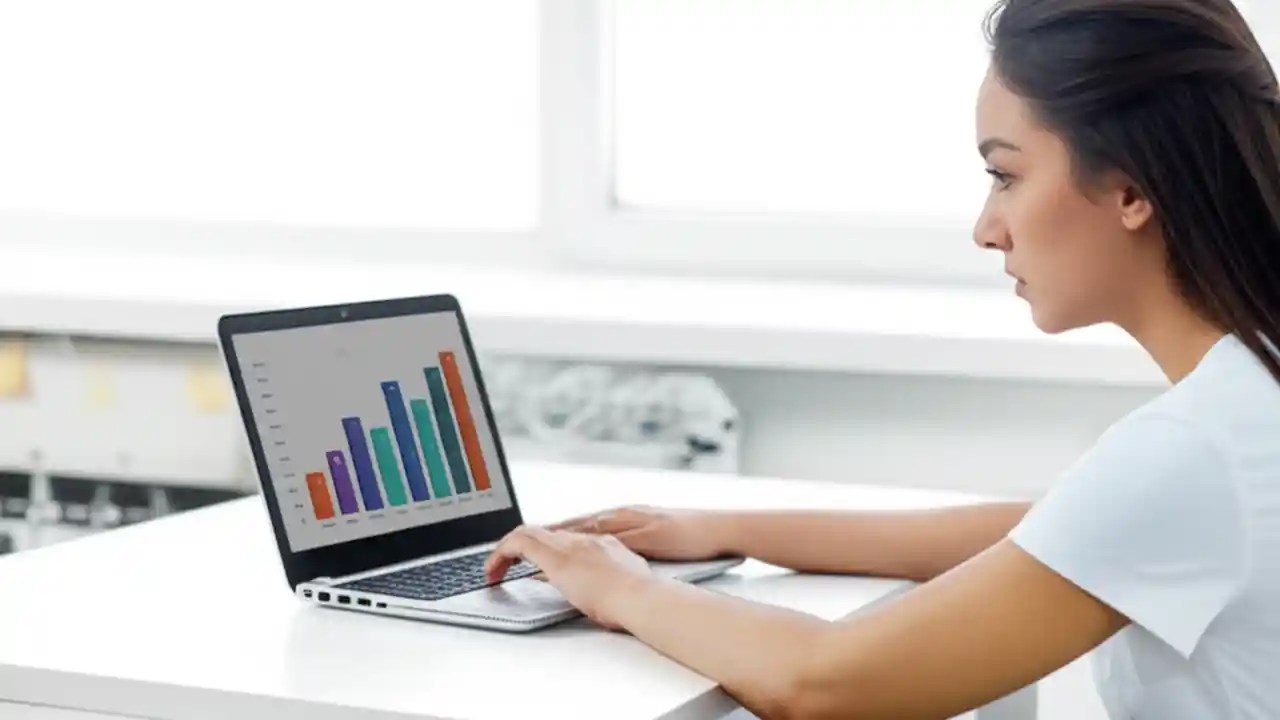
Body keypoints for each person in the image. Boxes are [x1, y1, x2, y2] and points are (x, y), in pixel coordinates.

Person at [484, 0, 1280, 717]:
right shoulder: (1247, 394)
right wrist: (724, 527)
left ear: (1131, 193)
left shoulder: (1194, 450)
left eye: (1005, 176)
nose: (986, 227)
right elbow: (1050, 527)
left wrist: (615, 586)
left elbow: (827, 682)